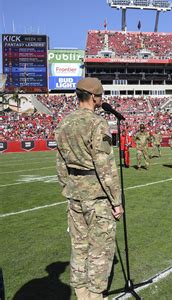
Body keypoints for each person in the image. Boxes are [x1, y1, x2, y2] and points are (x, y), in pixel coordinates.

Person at [55, 78, 123, 300]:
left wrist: (70, 188)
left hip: (75, 195)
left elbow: (60, 165)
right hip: (97, 197)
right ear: (94, 97)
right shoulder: (97, 123)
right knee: (100, 251)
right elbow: (104, 166)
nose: (101, 100)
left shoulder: (64, 123)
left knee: (79, 247)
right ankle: (95, 295)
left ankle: (81, 294)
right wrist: (116, 201)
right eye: (100, 96)